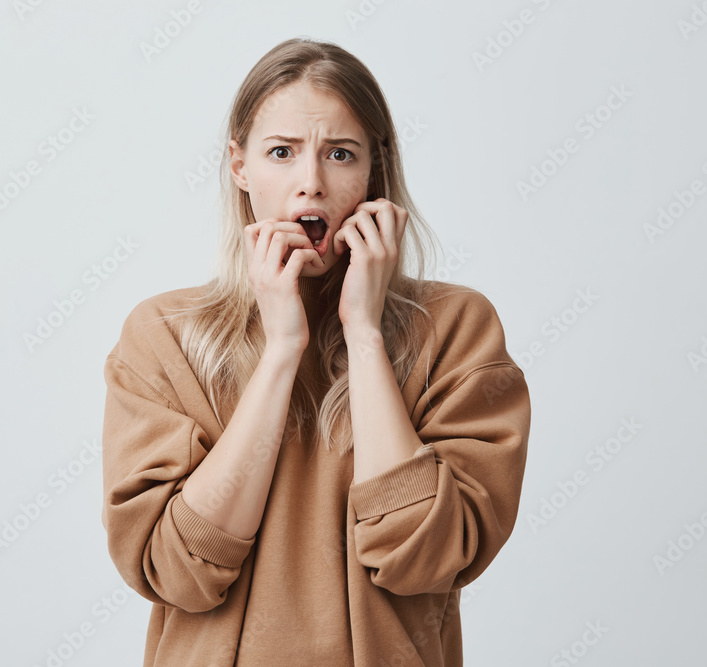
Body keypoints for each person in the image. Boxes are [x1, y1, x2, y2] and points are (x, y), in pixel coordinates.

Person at [100, 36, 531, 666]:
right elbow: (179, 570)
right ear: (239, 166)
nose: (311, 184)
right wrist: (281, 351)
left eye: (340, 153)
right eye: (281, 152)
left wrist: (365, 334)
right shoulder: (162, 336)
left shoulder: (458, 328)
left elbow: (425, 556)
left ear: (374, 172)